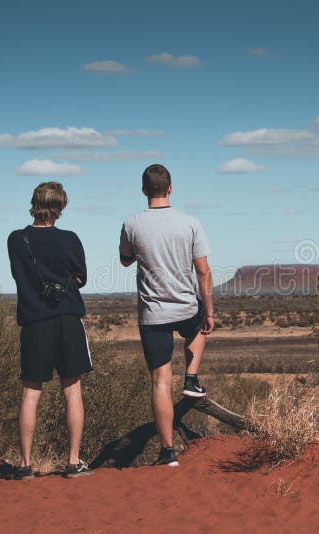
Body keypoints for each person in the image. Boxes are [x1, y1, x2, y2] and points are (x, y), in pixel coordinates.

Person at [119, 163, 214, 467]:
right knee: (203, 324)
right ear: (170, 188)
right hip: (186, 307)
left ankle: (167, 452)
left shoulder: (131, 224)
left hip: (152, 314)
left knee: (160, 381)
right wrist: (209, 310)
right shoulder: (190, 222)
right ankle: (191, 376)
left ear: (144, 190)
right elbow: (203, 270)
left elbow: (124, 260)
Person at [7, 181, 94, 479]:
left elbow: (20, 276)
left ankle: (25, 465)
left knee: (31, 393)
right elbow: (81, 278)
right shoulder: (70, 239)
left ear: (34, 202)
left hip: (34, 321)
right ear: (60, 206)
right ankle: (73, 462)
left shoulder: (16, 240)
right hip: (68, 317)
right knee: (72, 391)